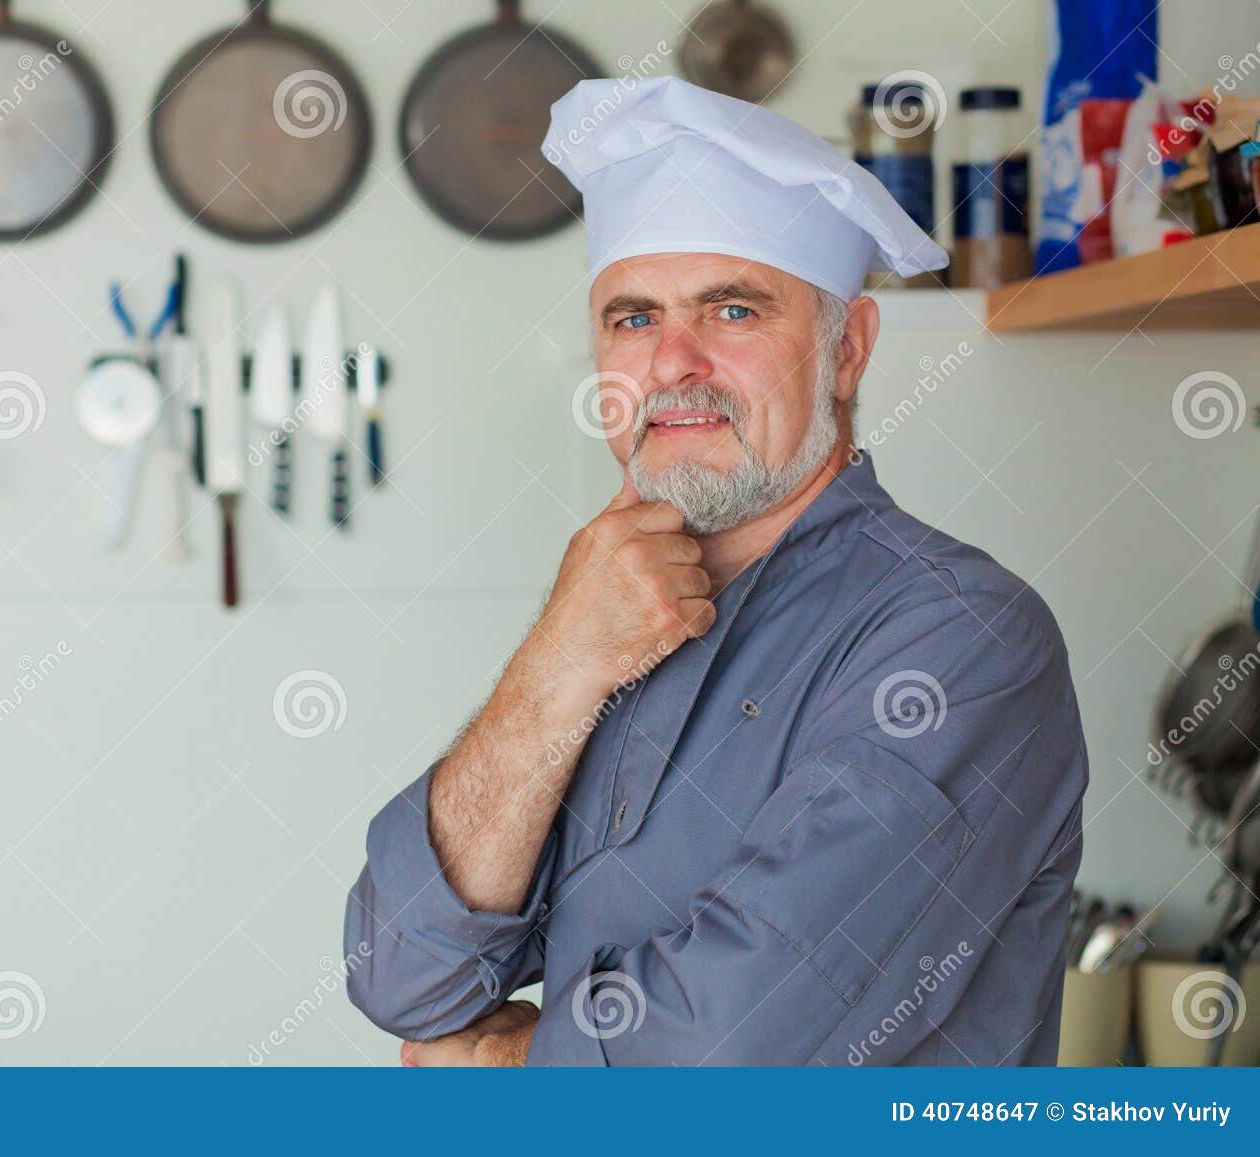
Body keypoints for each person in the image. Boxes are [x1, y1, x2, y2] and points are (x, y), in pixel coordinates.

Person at [343, 77, 1088, 1066]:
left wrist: (508, 1065)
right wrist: (553, 667)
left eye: (733, 310)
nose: (672, 361)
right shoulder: (608, 619)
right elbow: (400, 970)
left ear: (846, 350)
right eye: (632, 317)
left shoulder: (962, 638)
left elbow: (731, 1042)